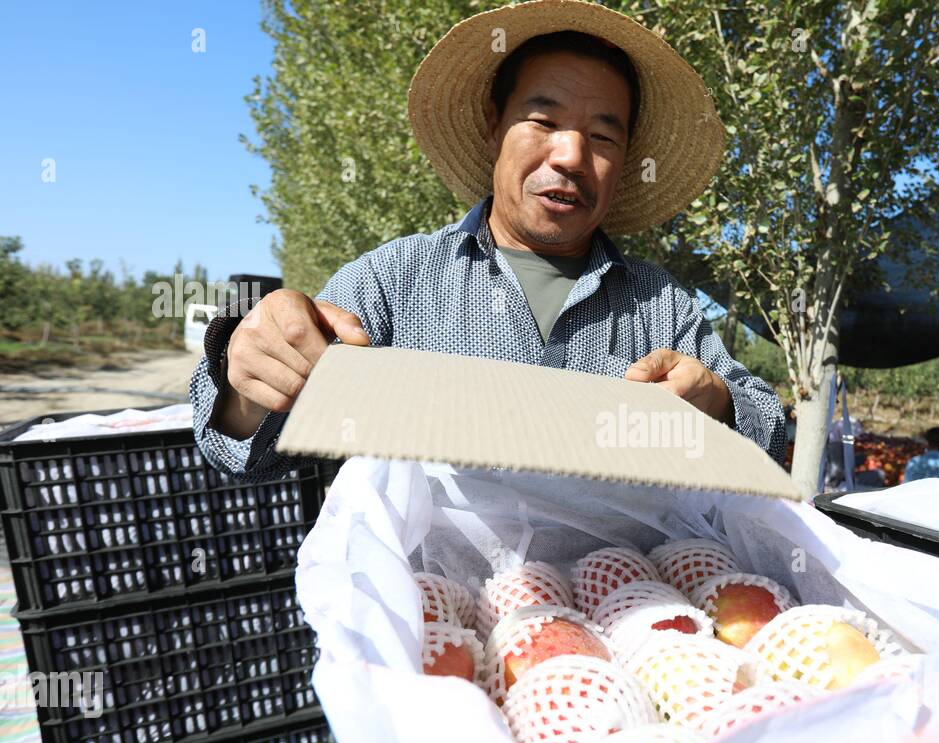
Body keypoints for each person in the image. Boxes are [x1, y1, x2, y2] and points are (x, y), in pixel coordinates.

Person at [190, 1, 785, 479]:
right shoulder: (393, 281)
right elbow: (246, 451)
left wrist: (721, 406)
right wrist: (251, 373)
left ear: (625, 164)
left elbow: (772, 432)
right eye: (544, 121)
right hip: (433, 614)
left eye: (604, 137)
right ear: (493, 128)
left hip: (617, 607)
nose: (572, 155)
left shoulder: (661, 307)